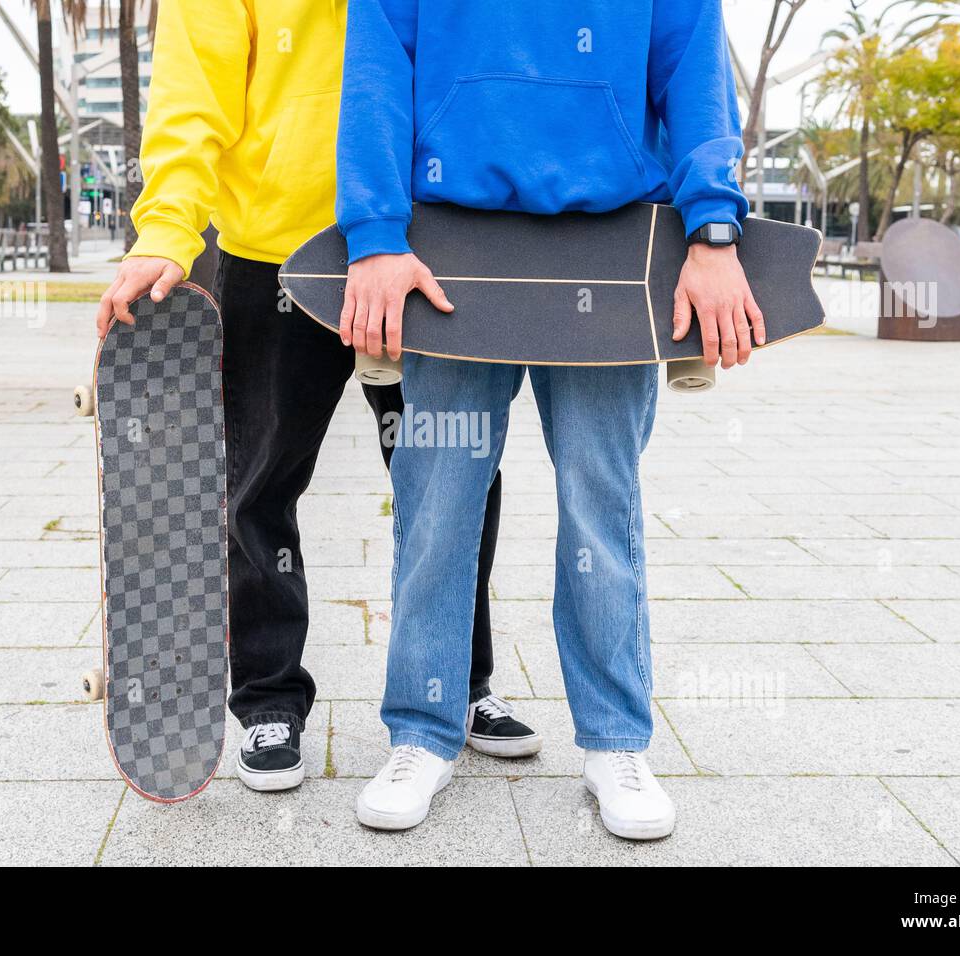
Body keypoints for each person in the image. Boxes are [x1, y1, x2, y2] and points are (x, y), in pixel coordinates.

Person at [337, 0, 763, 838]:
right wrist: (375, 232)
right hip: (454, 250)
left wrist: (713, 228)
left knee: (602, 508)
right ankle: (424, 731)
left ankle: (615, 742)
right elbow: (377, 68)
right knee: (434, 508)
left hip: (611, 251)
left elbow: (694, 67)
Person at [95, 0, 540, 795]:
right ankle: (268, 700)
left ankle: (456, 683)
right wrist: (166, 230)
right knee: (260, 483)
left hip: (416, 251)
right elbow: (192, 96)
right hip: (277, 255)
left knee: (455, 477)